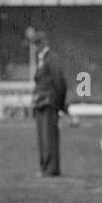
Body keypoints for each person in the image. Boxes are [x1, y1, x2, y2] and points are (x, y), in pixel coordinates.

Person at [32, 30, 68, 176]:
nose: (36, 47)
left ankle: (51, 169)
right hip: (40, 103)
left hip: (49, 103)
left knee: (49, 139)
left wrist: (60, 104)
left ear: (44, 43)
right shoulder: (42, 60)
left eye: (37, 43)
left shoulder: (51, 59)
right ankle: (45, 168)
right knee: (43, 138)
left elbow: (59, 82)